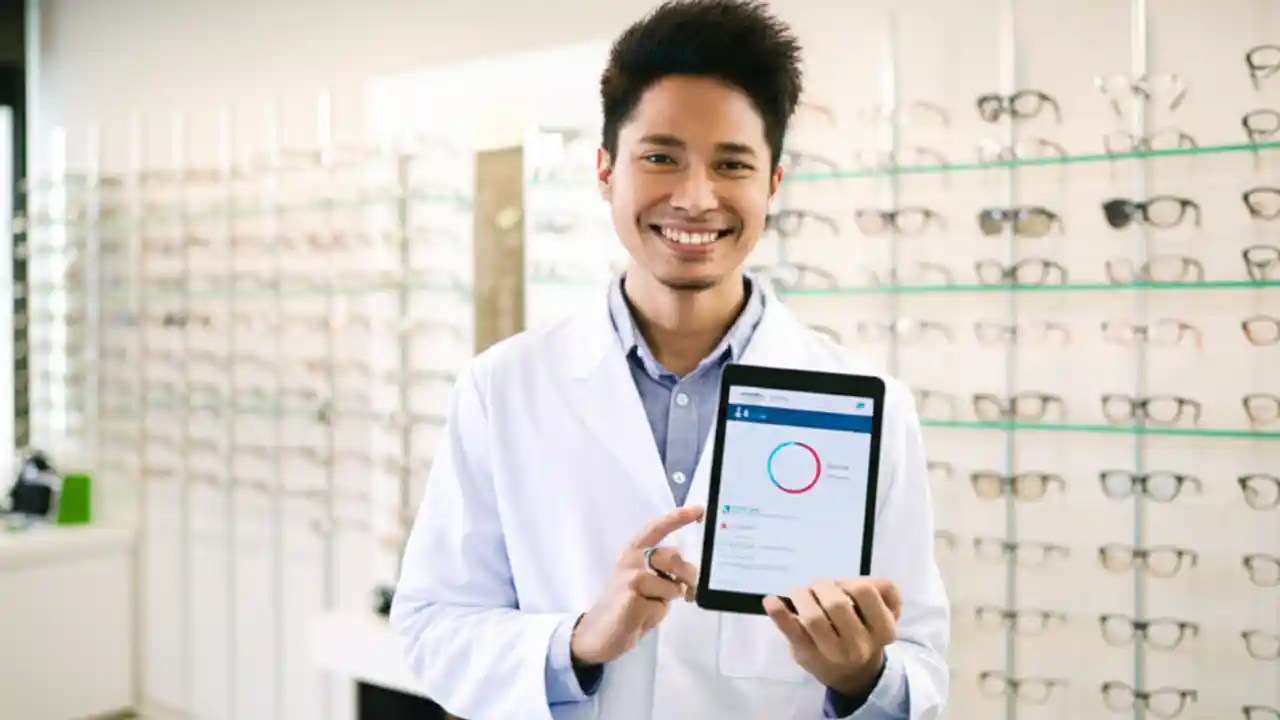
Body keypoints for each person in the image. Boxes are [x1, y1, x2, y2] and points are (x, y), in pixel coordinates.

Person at [390, 1, 949, 718]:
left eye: (731, 164)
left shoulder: (868, 401)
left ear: (773, 184)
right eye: (660, 158)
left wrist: (861, 674)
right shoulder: (504, 387)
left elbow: (921, 665)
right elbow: (435, 628)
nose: (695, 197)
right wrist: (579, 641)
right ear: (605, 171)